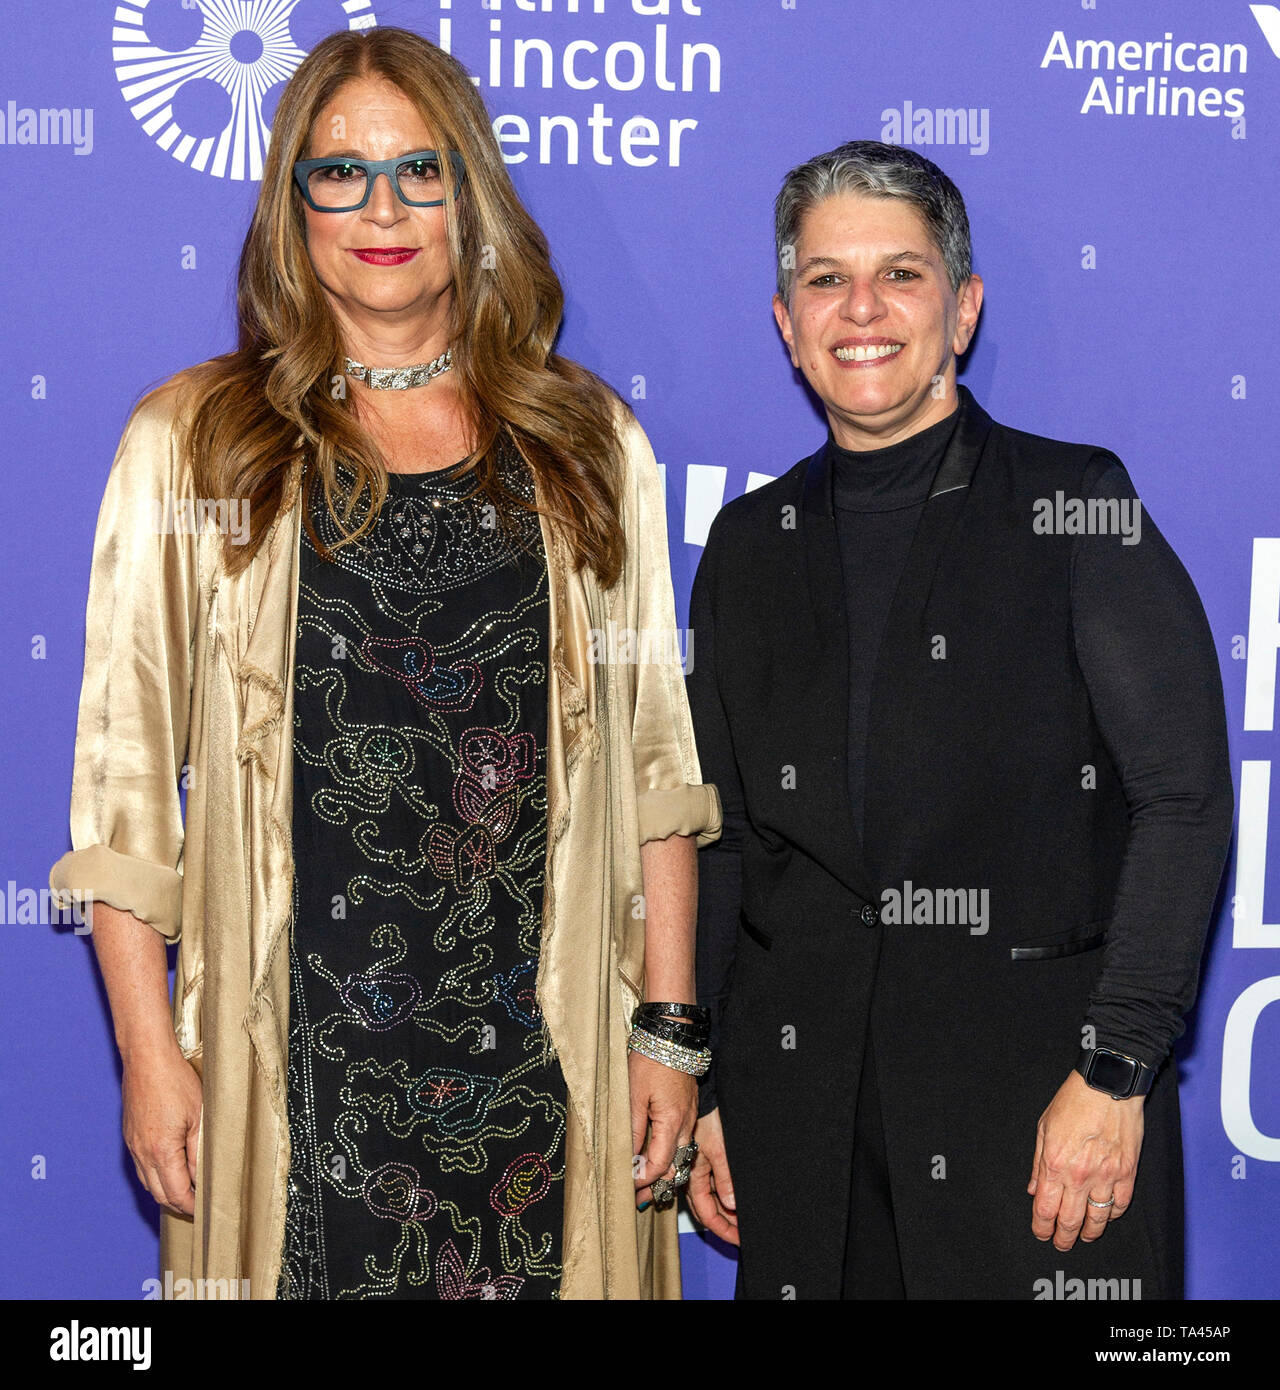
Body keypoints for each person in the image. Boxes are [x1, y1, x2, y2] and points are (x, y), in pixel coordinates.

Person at [49, 26, 721, 1301]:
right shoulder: (196, 443)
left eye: (419, 171)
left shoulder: (582, 440)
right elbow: (126, 786)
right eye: (338, 173)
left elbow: (654, 763)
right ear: (289, 205)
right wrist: (149, 1048)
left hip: (548, 1058)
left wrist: (669, 1034)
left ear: (469, 198)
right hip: (297, 1075)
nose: (381, 208)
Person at [684, 139, 1234, 1300]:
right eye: (825, 279)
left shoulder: (1074, 504)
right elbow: (728, 844)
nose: (861, 310)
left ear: (963, 306)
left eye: (901, 272)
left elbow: (1179, 802)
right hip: (805, 1123)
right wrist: (718, 1084)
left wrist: (1116, 1068)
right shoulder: (746, 548)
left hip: (1043, 1122)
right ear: (784, 320)